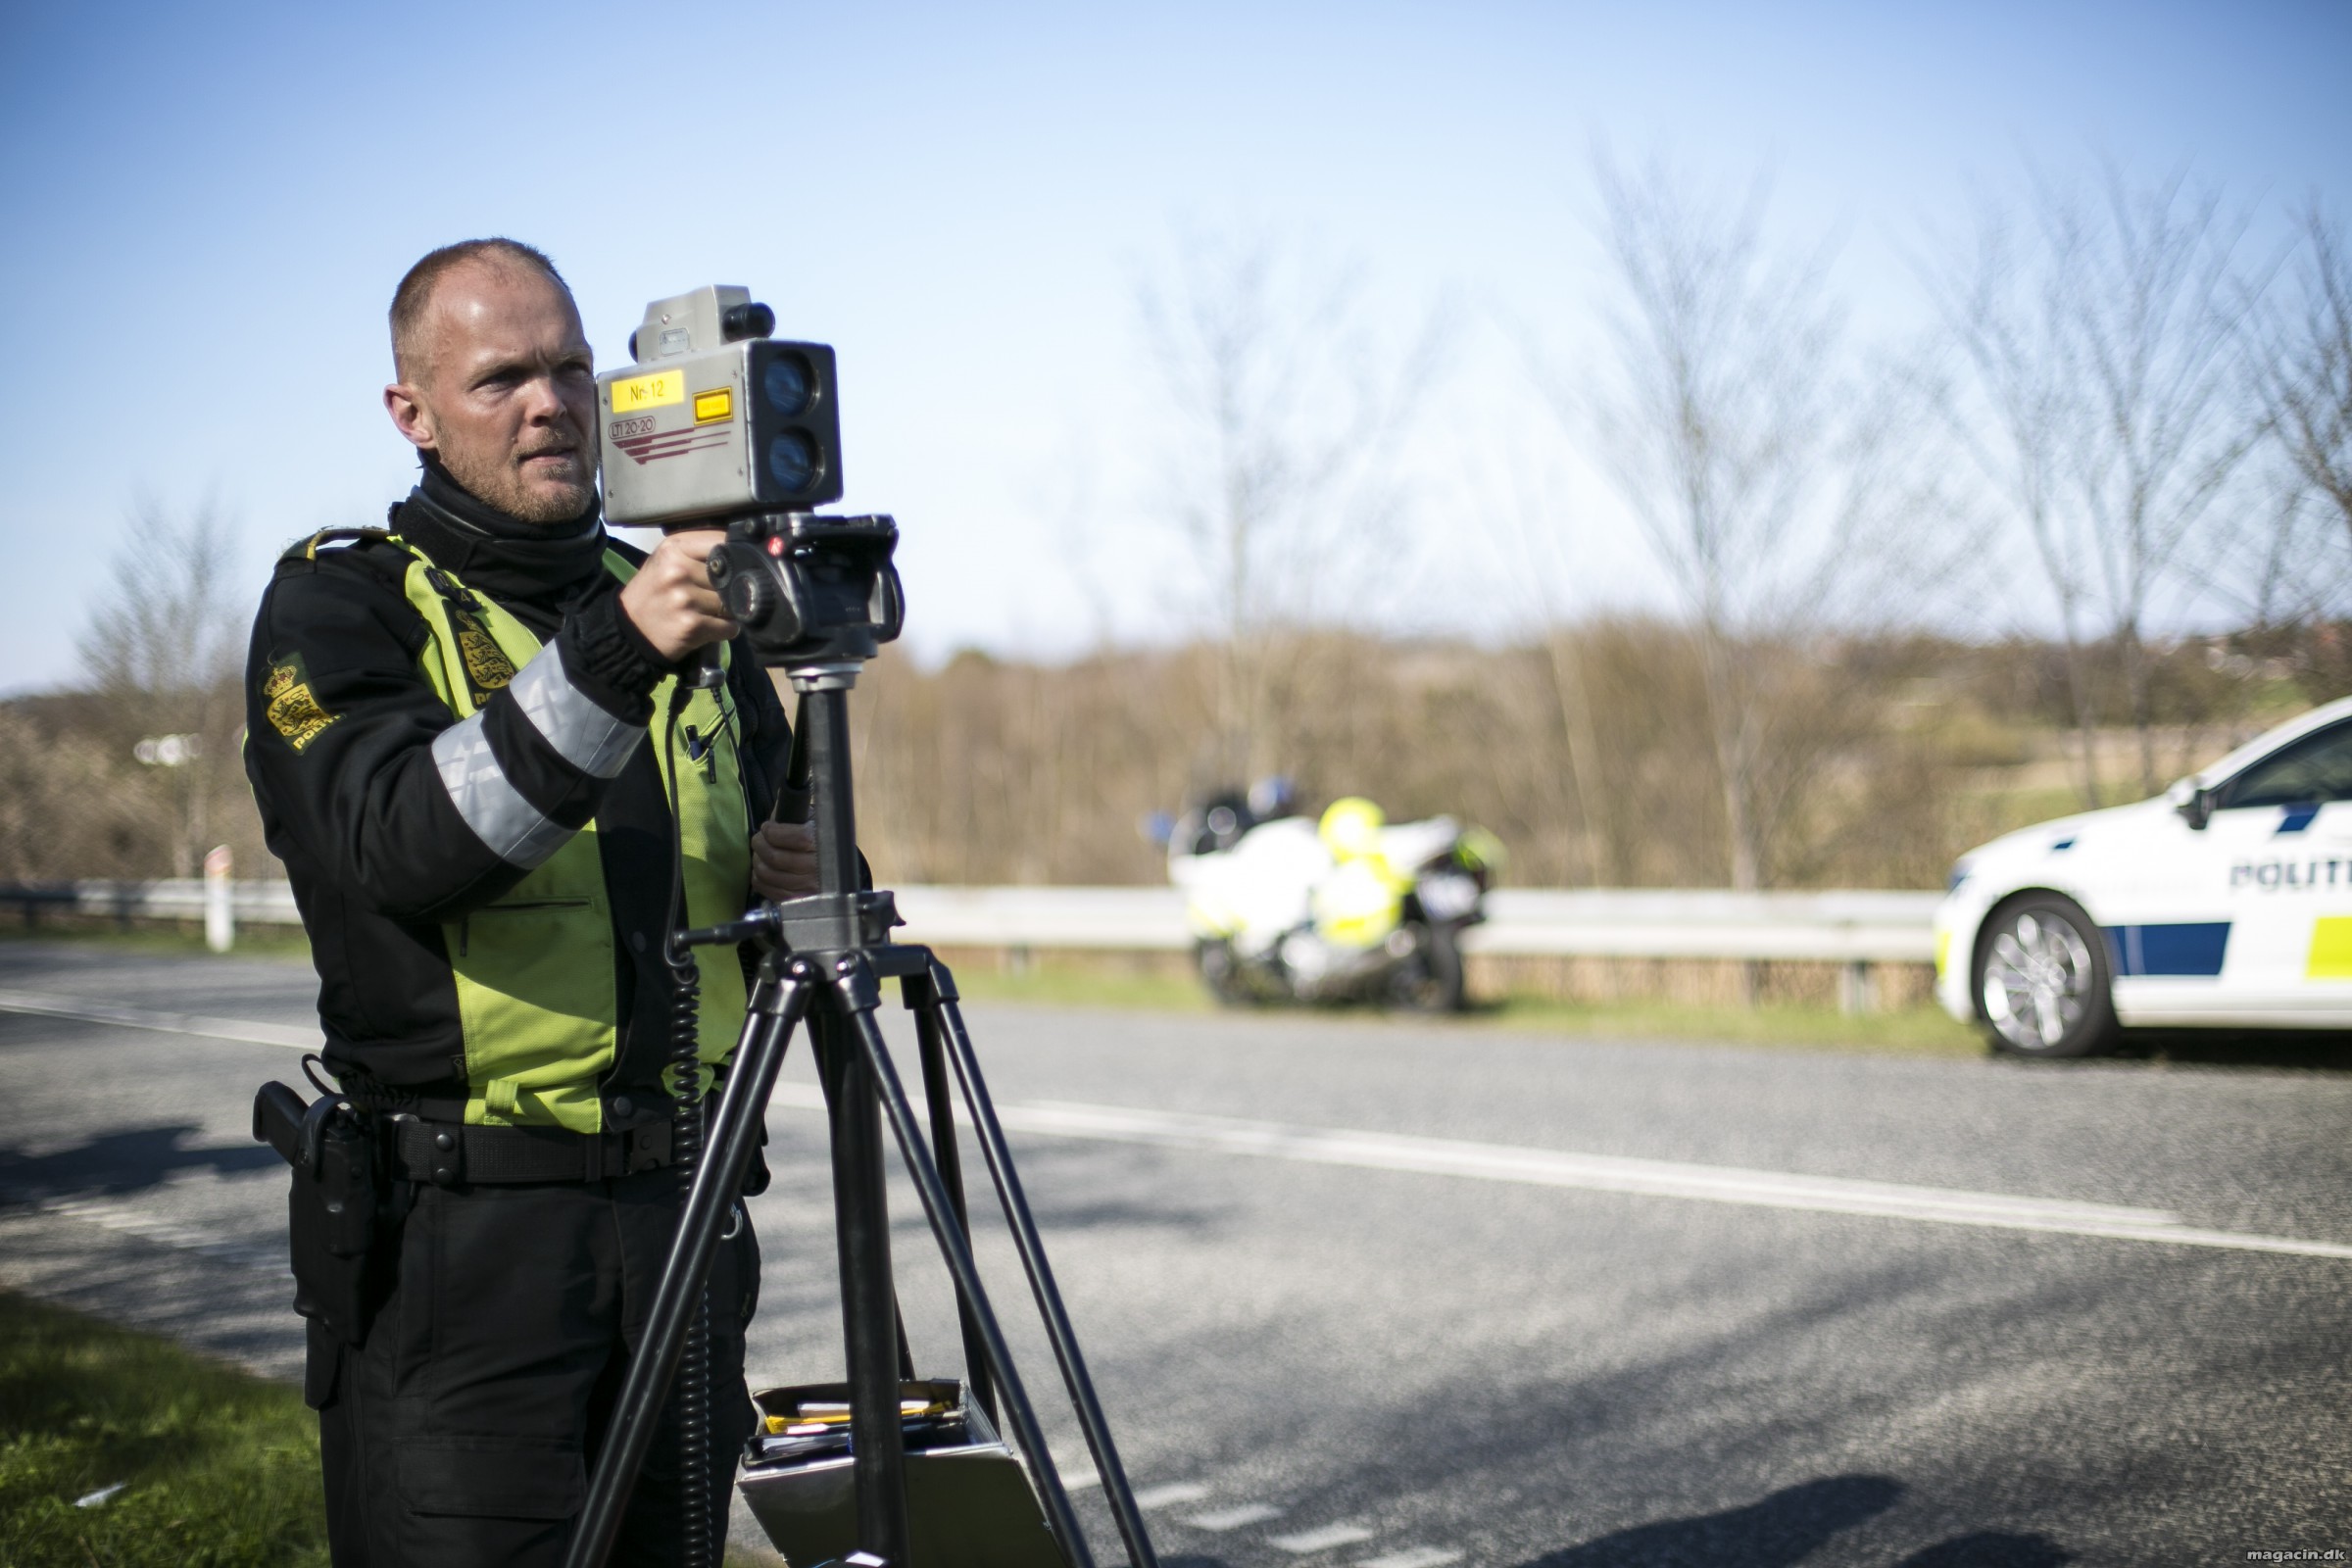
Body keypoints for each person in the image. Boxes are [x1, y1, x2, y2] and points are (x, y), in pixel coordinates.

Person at [242, 237, 816, 1566]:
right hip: (463, 1249)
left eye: (569, 366)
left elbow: (777, 856)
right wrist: (622, 651)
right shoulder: (342, 604)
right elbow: (402, 848)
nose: (551, 401)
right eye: (502, 377)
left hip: (682, 1218)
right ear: (416, 413)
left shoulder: (676, 601)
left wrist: (800, 880)